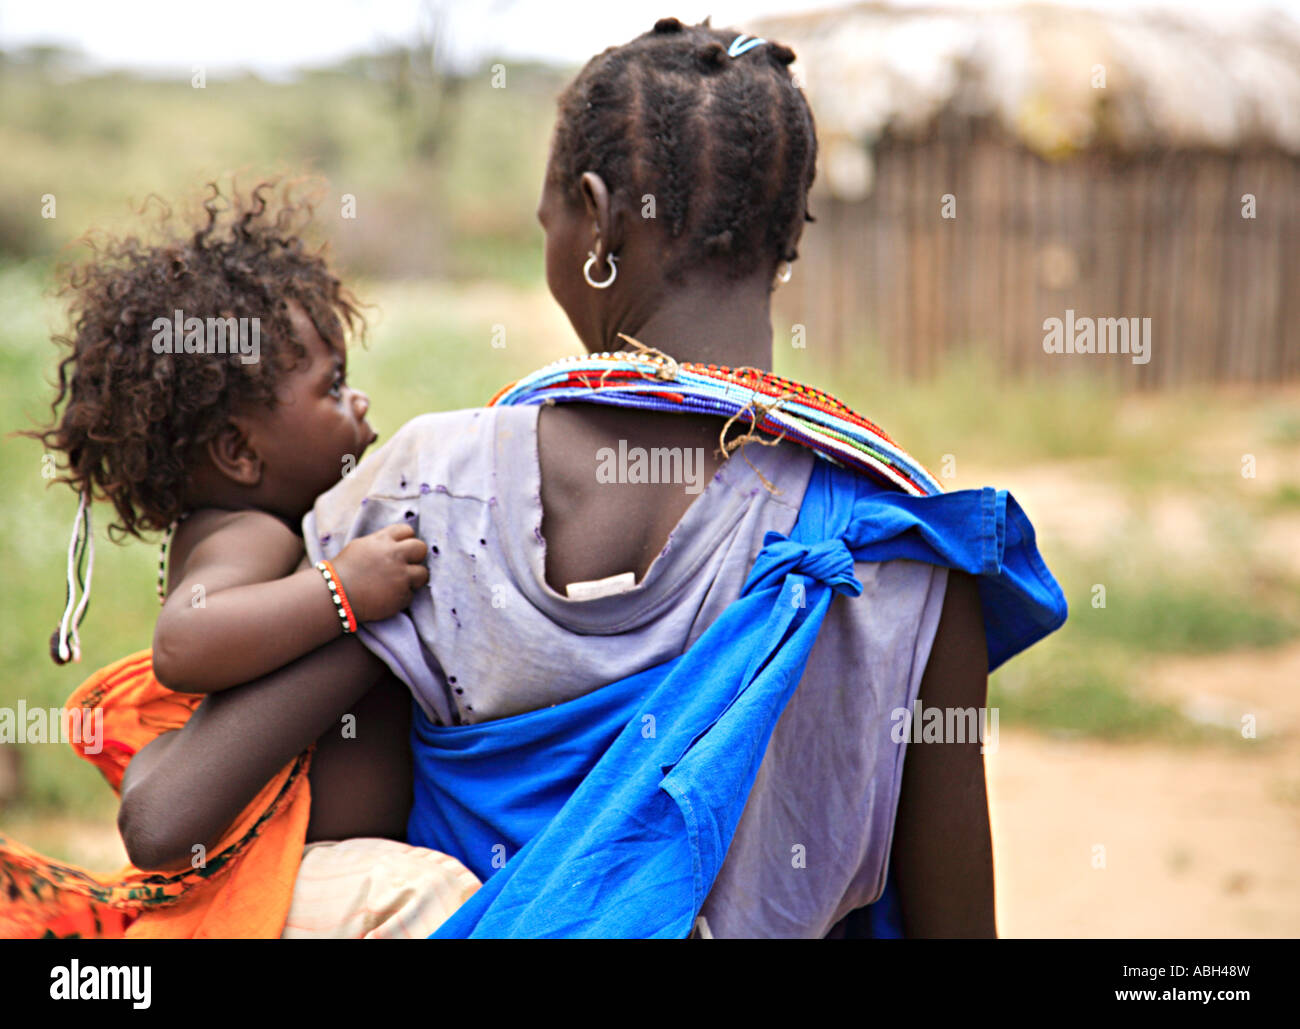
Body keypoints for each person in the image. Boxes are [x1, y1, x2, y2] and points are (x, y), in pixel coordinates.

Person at [116, 19, 1066, 937]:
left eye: (549, 222)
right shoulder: (904, 550)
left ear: (600, 216)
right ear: (789, 236)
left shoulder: (430, 493)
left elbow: (170, 816)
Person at [1, 184, 479, 938]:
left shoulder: (269, 527)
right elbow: (184, 639)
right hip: (281, 879)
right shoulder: (249, 535)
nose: (359, 405)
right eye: (333, 387)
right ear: (239, 452)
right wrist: (343, 590)